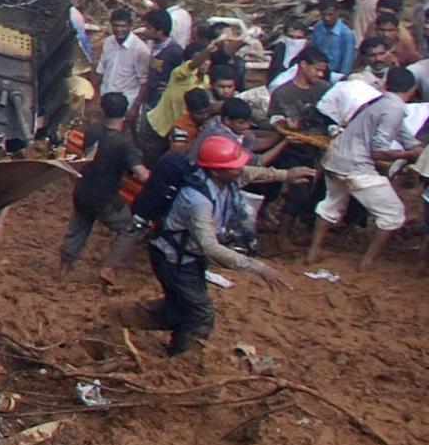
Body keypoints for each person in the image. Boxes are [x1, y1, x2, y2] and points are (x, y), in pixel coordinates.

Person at [147, 133, 287, 356]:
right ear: (216, 171)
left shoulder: (222, 179)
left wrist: (287, 175)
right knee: (200, 314)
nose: (240, 169)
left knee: (181, 307)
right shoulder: (197, 201)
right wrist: (258, 268)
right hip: (174, 259)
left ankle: (122, 315)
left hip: (187, 256)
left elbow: (251, 173)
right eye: (234, 167)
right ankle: (182, 359)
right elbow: (210, 247)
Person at [305, 67, 421, 271]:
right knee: (393, 215)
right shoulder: (394, 109)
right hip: (356, 166)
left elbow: (406, 137)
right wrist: (406, 155)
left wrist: (416, 149)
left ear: (386, 84)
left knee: (331, 204)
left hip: (335, 159)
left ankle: (313, 252)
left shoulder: (380, 103)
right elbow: (379, 151)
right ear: (412, 89)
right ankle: (368, 262)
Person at [60, 92, 148, 278]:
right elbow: (141, 175)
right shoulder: (124, 144)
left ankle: (63, 269)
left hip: (83, 191)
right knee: (130, 229)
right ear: (125, 113)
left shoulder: (92, 132)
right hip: (106, 199)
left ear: (103, 110)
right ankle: (110, 268)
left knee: (78, 228)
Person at [96, 10, 154, 123]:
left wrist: (135, 106)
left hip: (127, 103)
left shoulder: (140, 50)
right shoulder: (108, 42)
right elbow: (101, 69)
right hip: (107, 100)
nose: (119, 29)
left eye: (123, 26)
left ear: (130, 26)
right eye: (116, 26)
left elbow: (144, 82)